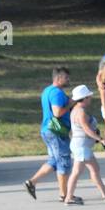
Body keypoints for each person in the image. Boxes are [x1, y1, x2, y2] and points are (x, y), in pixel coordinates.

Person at [63, 84, 105, 205]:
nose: (90, 98)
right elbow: (86, 129)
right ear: (84, 98)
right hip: (82, 145)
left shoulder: (76, 110)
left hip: (82, 144)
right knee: (76, 172)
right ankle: (68, 197)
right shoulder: (80, 112)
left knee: (95, 168)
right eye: (88, 96)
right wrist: (100, 139)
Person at [25, 67, 74, 201]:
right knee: (63, 162)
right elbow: (57, 112)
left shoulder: (47, 90)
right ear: (58, 78)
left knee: (53, 161)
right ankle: (64, 195)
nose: (68, 80)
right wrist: (71, 104)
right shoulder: (57, 93)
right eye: (66, 77)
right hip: (56, 132)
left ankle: (32, 182)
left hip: (47, 130)